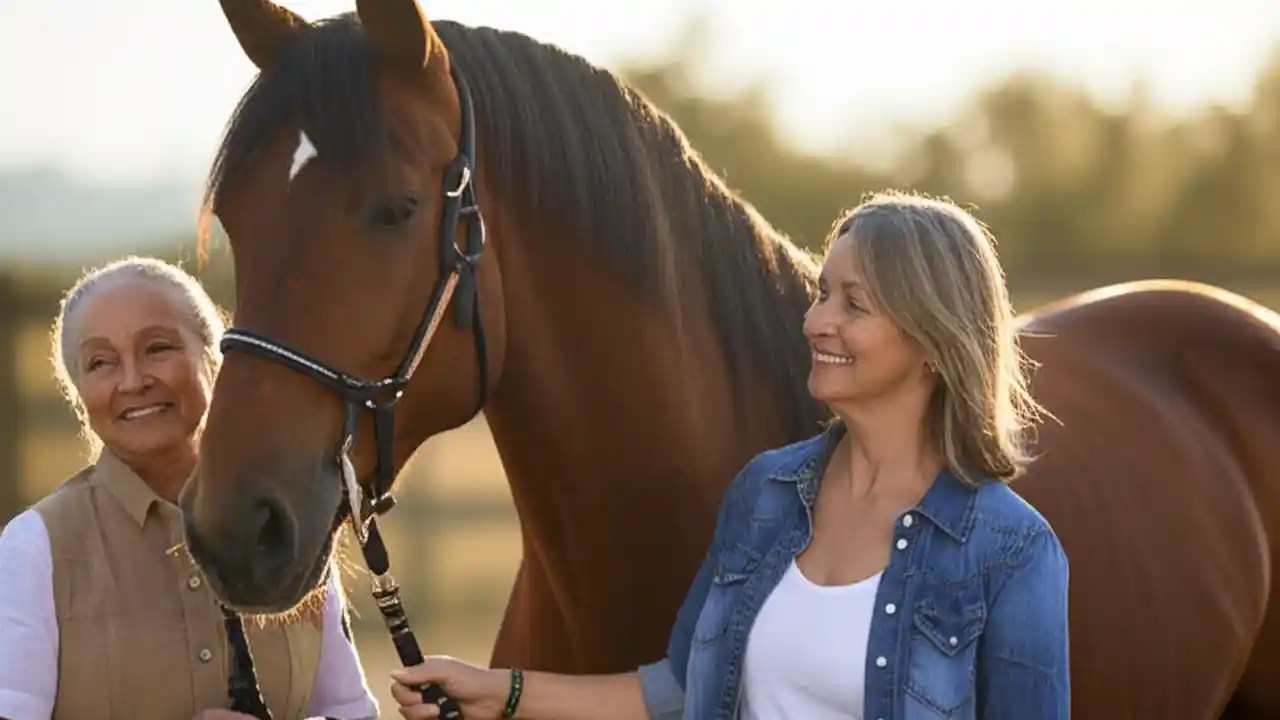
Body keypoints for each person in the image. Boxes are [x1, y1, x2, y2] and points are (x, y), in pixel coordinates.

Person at [388, 191, 1071, 719]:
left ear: (932, 339)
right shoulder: (767, 493)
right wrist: (495, 692)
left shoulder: (1009, 551)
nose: (815, 321)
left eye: (853, 304)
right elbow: (686, 685)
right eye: (820, 293)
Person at [0, 257, 379, 720]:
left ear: (216, 358)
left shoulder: (284, 523)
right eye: (101, 362)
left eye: (157, 349)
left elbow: (351, 713)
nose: (134, 381)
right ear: (78, 392)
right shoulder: (35, 548)